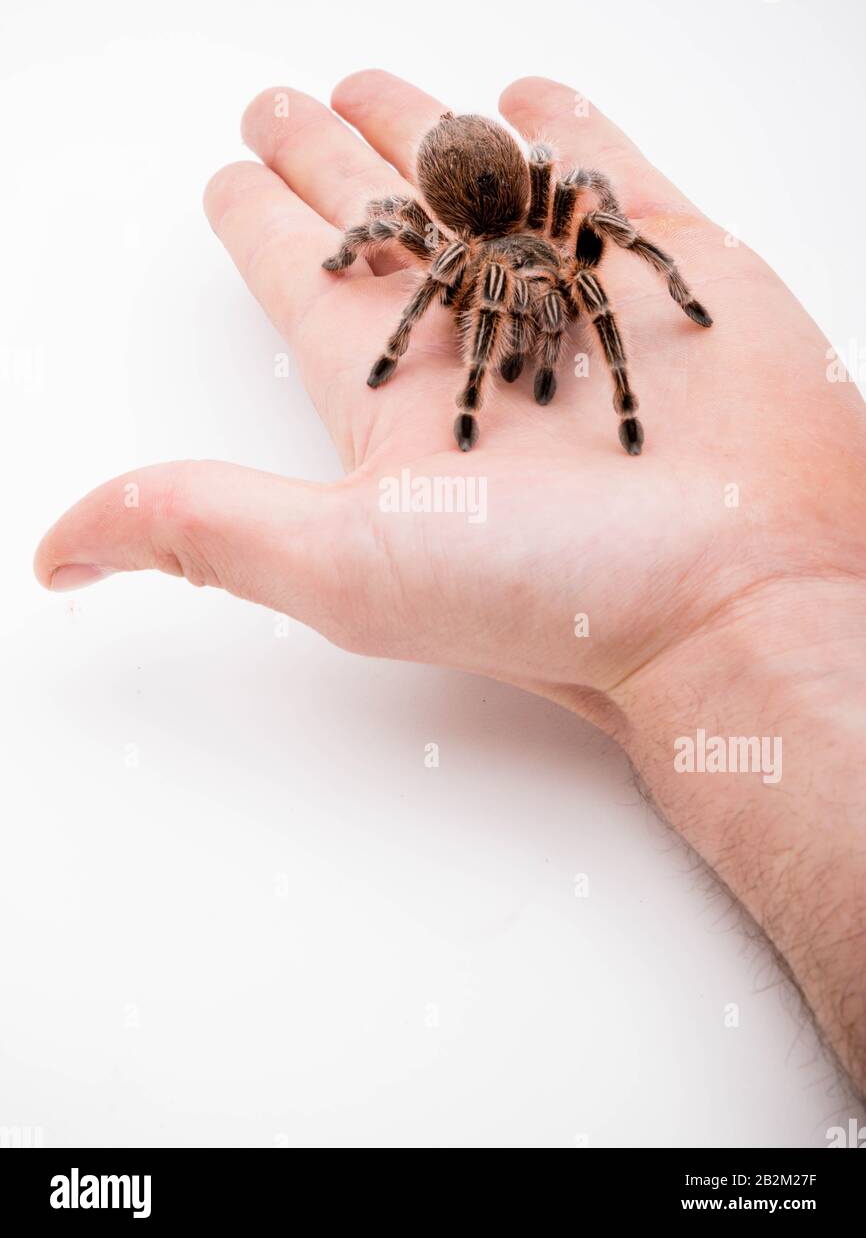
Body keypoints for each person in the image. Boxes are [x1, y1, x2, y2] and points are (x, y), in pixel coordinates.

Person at [34, 69, 866, 1095]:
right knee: (446, 282)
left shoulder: (567, 253)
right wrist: (419, 362)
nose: (550, 303)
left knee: (587, 284)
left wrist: (675, 318)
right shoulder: (451, 254)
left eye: (557, 285)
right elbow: (433, 284)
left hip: (509, 218)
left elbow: (608, 241)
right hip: (470, 221)